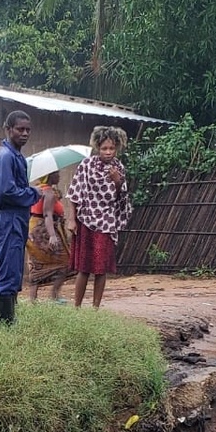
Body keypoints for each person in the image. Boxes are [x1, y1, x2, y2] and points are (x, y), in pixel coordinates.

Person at [67, 126, 133, 309]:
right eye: (104, 148)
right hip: (87, 221)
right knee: (84, 267)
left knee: (101, 268)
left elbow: (122, 199)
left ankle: (95, 309)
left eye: (111, 148)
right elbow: (74, 193)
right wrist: (72, 219)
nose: (108, 152)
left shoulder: (119, 168)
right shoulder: (87, 165)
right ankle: (77, 307)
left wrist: (117, 181)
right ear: (97, 147)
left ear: (117, 148)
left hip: (107, 222)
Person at [0, 111, 40, 324]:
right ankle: (3, 324)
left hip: (17, 220)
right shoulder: (6, 157)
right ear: (8, 129)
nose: (25, 133)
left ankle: (10, 319)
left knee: (14, 270)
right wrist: (34, 193)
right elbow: (5, 193)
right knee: (8, 271)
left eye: (28, 129)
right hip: (8, 219)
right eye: (20, 129)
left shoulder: (17, 156)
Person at [27, 171, 74, 303]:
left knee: (36, 263)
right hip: (44, 231)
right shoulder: (48, 192)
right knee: (66, 262)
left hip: (33, 230)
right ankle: (54, 294)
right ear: (49, 176)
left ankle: (33, 299)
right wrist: (52, 235)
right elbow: (47, 214)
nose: (59, 176)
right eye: (56, 174)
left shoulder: (37, 190)